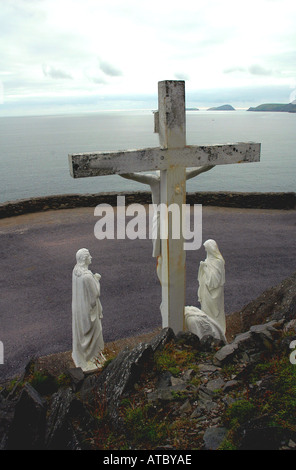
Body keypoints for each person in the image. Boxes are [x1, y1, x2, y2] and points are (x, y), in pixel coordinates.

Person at [121, 165, 215, 282]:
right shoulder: (162, 180)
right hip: (165, 220)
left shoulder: (159, 180)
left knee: (170, 252)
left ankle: (170, 280)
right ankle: (166, 281)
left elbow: (130, 175)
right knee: (164, 253)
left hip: (171, 220)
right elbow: (200, 170)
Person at [71, 248, 105, 371]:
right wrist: (97, 280)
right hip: (89, 311)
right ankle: (92, 358)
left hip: (79, 309)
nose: (91, 257)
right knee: (95, 333)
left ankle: (80, 354)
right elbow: (95, 295)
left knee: (81, 333)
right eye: (89, 256)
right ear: (84, 259)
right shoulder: (87, 276)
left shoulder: (76, 271)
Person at [197, 239, 226, 334]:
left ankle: (218, 330)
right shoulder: (209, 259)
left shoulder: (218, 262)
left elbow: (214, 281)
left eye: (206, 248)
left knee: (214, 312)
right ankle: (209, 330)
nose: (205, 250)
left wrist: (204, 268)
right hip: (206, 291)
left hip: (213, 292)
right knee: (206, 310)